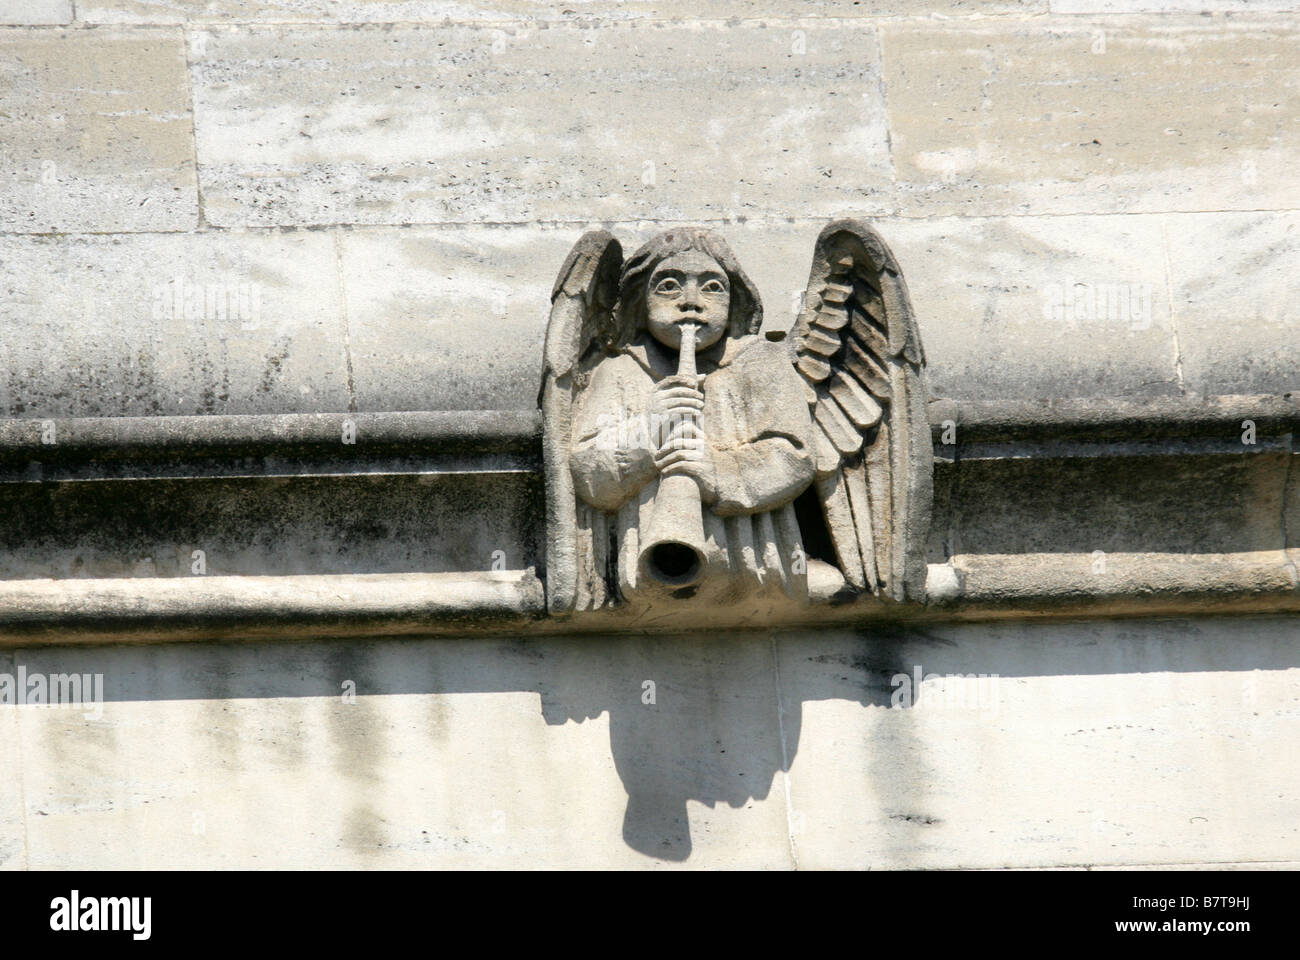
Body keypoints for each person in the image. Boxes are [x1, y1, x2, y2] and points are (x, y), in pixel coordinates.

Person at [569, 227, 817, 603]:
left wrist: (717, 471)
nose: (691, 301)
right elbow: (587, 470)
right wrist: (649, 431)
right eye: (668, 286)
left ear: (735, 301)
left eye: (712, 287)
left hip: (754, 567)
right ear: (640, 300)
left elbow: (795, 455)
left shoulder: (762, 362)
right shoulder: (619, 369)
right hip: (644, 578)